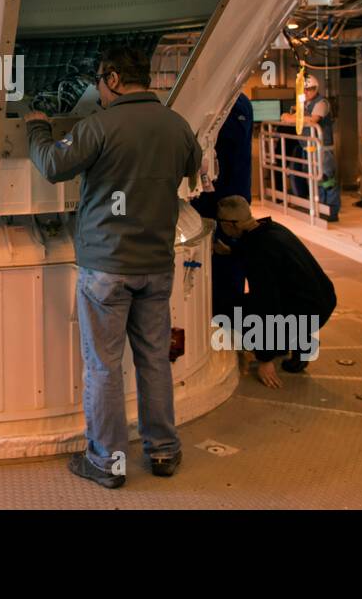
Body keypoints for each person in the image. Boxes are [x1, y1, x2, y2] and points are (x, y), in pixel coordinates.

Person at [24, 46, 202, 488]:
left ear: (116, 79)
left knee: (103, 366)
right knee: (154, 361)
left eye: (101, 82)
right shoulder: (177, 125)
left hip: (106, 266)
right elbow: (192, 167)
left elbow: (52, 165)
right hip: (157, 264)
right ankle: (164, 451)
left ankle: (107, 462)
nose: (99, 91)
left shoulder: (99, 126)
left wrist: (37, 129)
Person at [214, 195, 336, 389]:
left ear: (229, 225)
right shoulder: (272, 229)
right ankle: (297, 338)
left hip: (302, 310)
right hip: (323, 300)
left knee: (223, 311)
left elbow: (267, 305)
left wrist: (265, 359)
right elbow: (261, 252)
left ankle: (287, 339)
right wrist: (231, 251)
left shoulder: (258, 253)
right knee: (286, 302)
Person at [191, 92, 253, 321]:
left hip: (226, 207)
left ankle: (225, 326)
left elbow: (229, 163)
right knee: (224, 267)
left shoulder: (232, 107)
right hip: (223, 204)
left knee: (226, 265)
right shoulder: (233, 102)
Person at [281, 73, 340, 222]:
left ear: (316, 89)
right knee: (314, 179)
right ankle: (320, 209)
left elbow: (313, 119)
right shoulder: (304, 104)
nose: (306, 92)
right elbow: (288, 116)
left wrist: (292, 118)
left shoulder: (322, 103)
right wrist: (291, 116)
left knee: (326, 180)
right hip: (309, 148)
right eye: (304, 89)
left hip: (323, 149)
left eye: (310, 89)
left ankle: (331, 212)